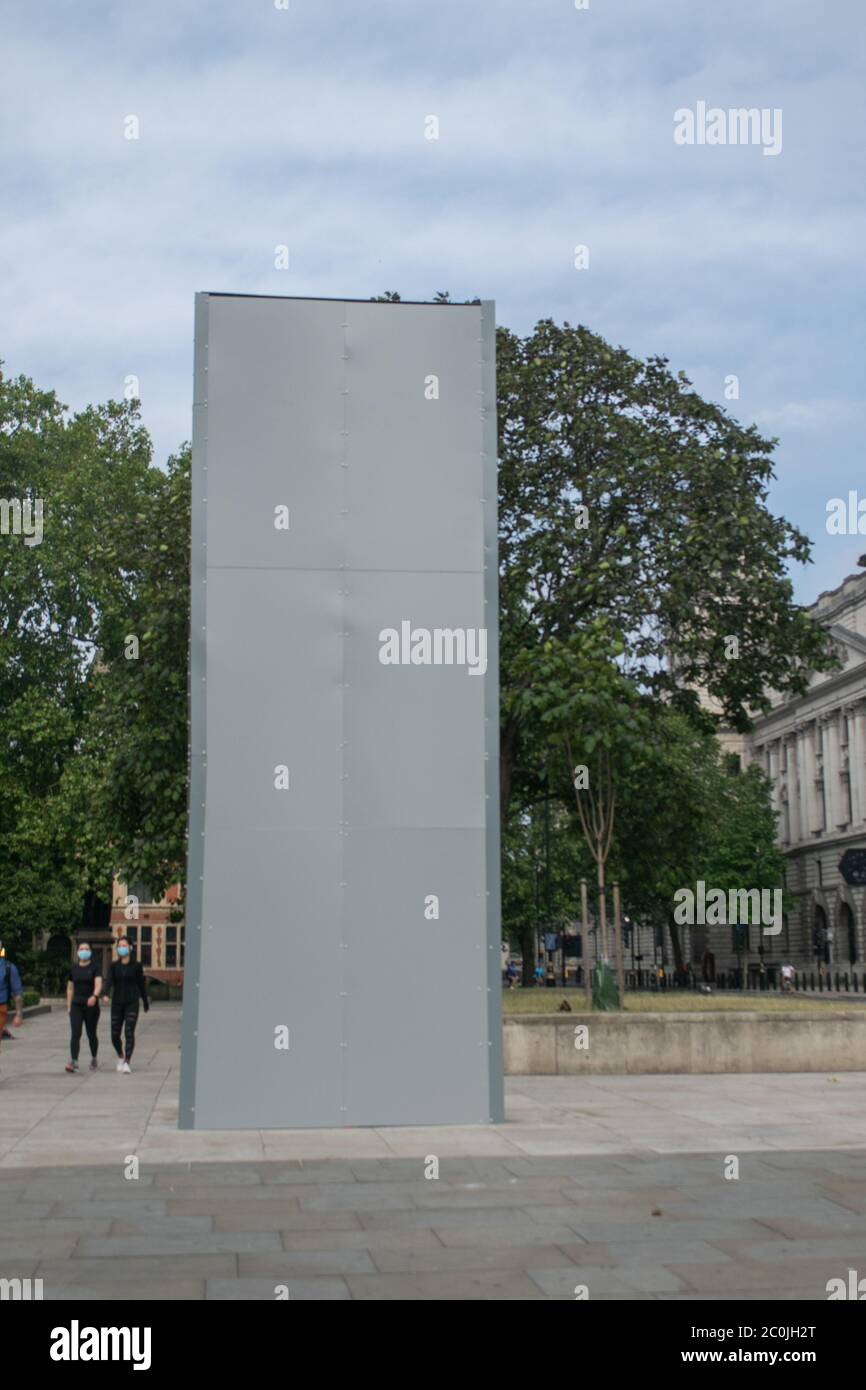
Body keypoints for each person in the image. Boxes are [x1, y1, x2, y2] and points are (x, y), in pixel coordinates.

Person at [104, 937, 149, 1073]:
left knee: (129, 1032)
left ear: (130, 948)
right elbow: (109, 981)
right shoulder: (113, 966)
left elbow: (141, 984)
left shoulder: (136, 966)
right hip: (117, 1003)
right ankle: (120, 1055)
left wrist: (145, 1001)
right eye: (119, 946)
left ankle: (127, 1061)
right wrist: (105, 994)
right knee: (114, 1035)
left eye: (124, 945)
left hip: (132, 1002)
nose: (121, 948)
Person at [66, 942, 102, 1073]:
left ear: (90, 952)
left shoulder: (95, 968)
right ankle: (74, 1061)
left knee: (91, 1033)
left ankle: (94, 1057)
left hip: (91, 1004)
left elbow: (98, 984)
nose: (84, 951)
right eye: (81, 949)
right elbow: (70, 988)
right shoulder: (74, 968)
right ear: (77, 952)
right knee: (75, 1033)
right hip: (76, 1004)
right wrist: (69, 1006)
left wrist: (94, 996)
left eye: (86, 949)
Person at [0, 944, 24, 1061]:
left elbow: (17, 993)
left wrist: (19, 1014)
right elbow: (18, 994)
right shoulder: (9, 967)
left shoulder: (8, 967)